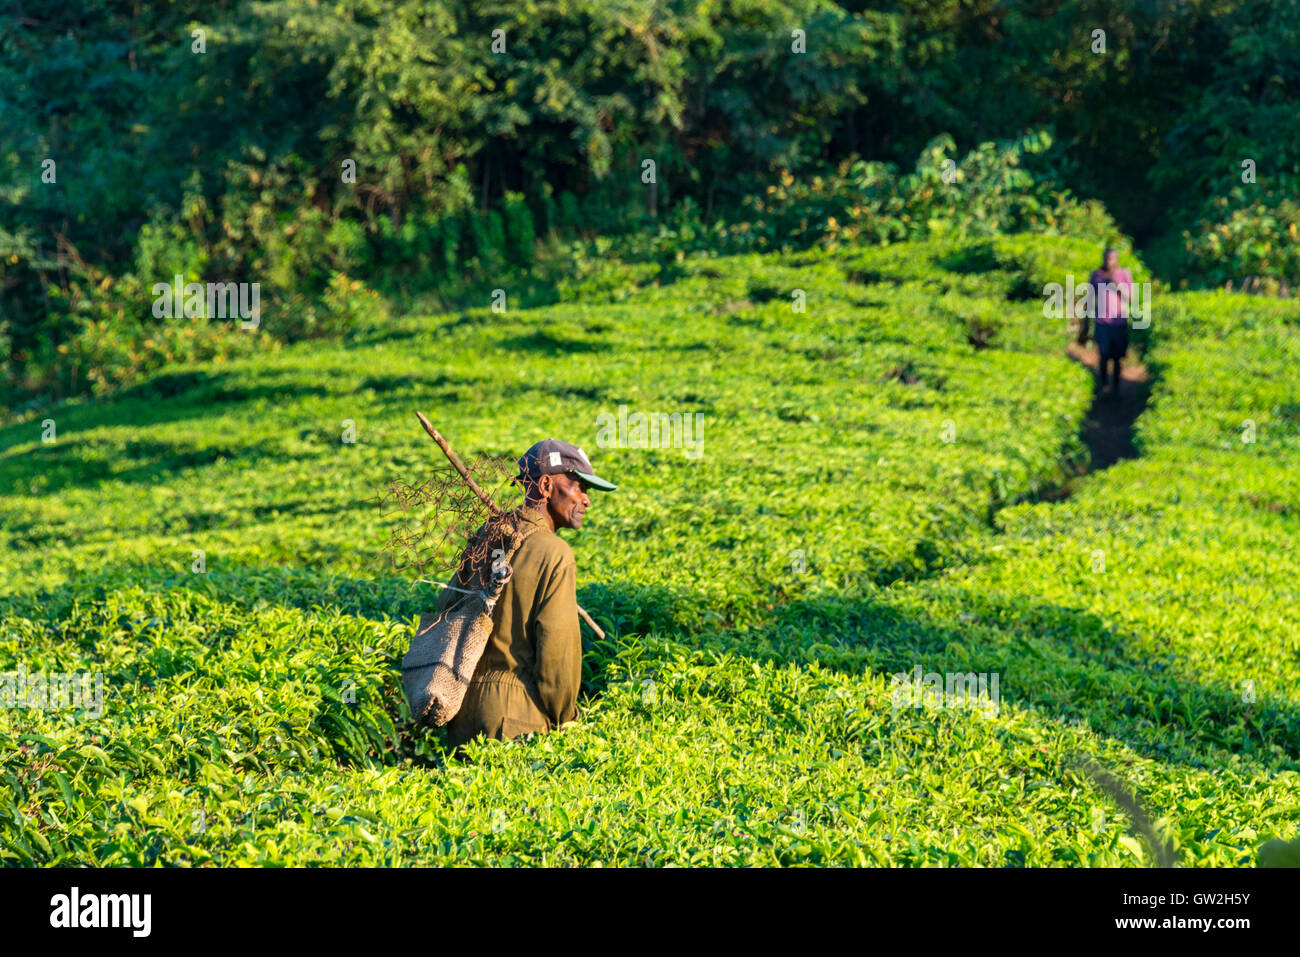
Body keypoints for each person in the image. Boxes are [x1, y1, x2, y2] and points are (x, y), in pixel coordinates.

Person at [441, 438, 616, 750]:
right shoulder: (555, 553)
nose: (586, 500)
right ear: (547, 486)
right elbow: (557, 655)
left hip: (461, 716)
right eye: (578, 487)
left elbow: (446, 611)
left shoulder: (487, 536)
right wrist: (565, 716)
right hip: (517, 718)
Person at [1089, 247, 1133, 395]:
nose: (1108, 262)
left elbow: (1131, 298)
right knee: (1103, 355)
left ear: (1116, 259)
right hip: (1102, 322)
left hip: (1119, 323)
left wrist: (1116, 284)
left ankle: (1116, 388)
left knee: (1117, 358)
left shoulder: (1124, 274)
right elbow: (1089, 299)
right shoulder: (1096, 275)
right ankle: (1103, 386)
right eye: (1106, 258)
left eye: (1111, 259)